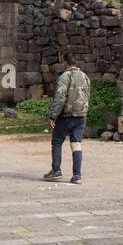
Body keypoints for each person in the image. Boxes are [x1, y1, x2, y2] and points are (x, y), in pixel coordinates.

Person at [43, 52, 90, 184]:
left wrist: (53, 115)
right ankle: (77, 175)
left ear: (65, 62)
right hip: (81, 115)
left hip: (66, 116)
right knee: (76, 144)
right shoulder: (85, 77)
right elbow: (87, 96)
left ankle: (56, 170)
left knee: (57, 141)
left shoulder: (64, 77)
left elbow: (60, 98)